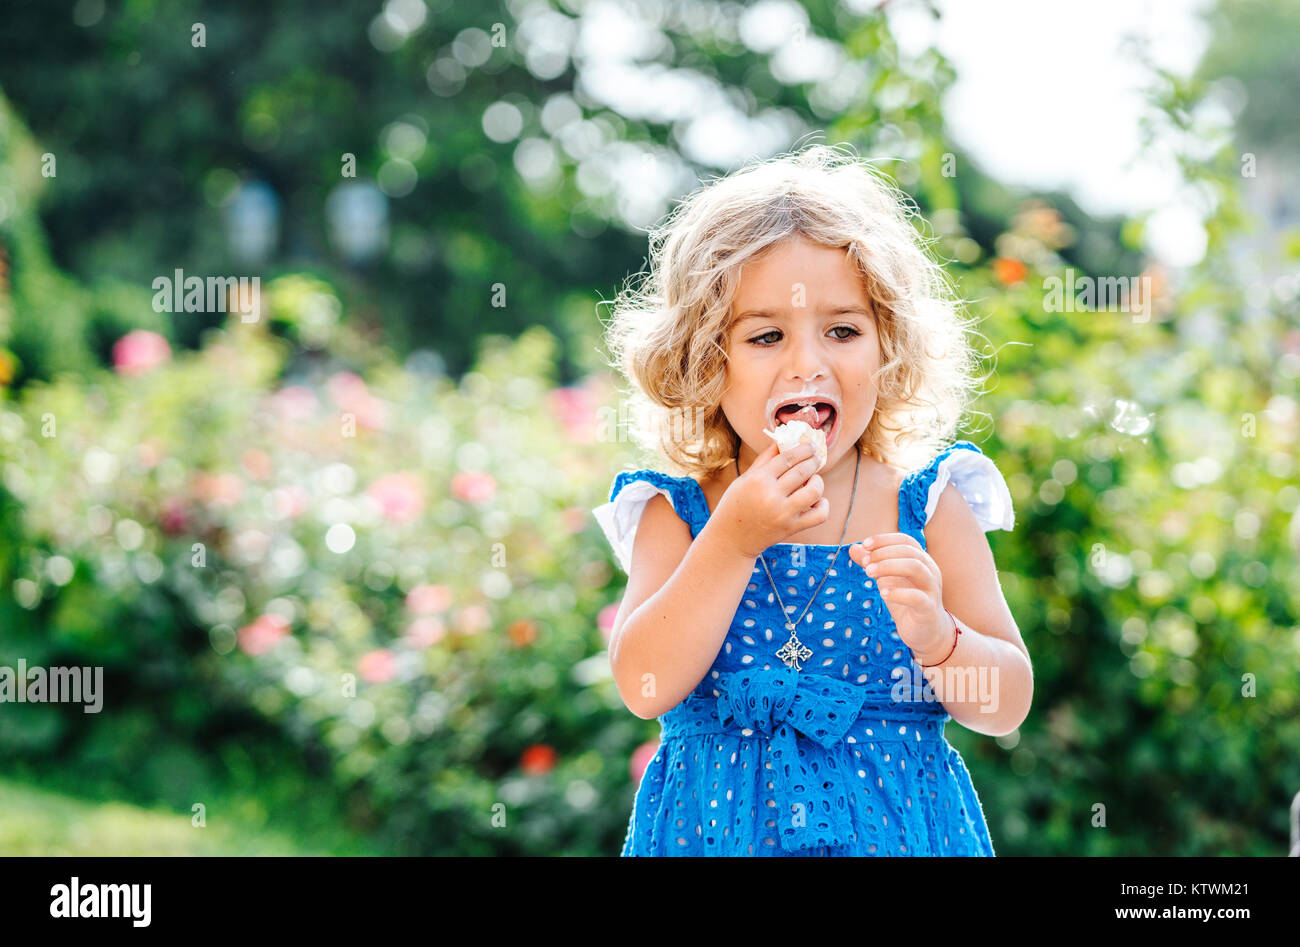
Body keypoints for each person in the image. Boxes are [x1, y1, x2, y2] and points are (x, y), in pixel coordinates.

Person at [592, 143, 1032, 856]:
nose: (808, 362)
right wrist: (732, 539)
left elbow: (1006, 701)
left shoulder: (927, 505)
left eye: (843, 330)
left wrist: (940, 639)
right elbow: (644, 683)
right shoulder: (678, 514)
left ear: (889, 346)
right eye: (766, 335)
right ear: (705, 358)